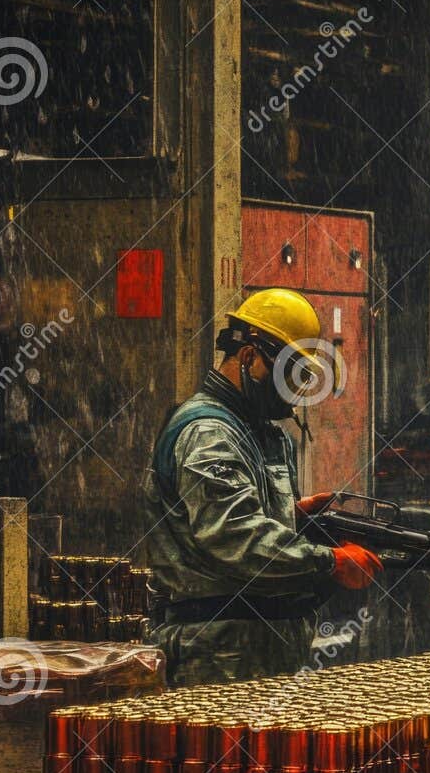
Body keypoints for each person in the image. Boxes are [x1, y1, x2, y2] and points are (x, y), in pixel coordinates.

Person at [143, 288, 382, 686]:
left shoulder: (264, 435)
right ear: (250, 356)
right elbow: (234, 537)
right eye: (288, 374)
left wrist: (292, 514)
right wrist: (330, 562)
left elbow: (244, 514)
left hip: (266, 648)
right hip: (219, 653)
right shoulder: (208, 433)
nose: (294, 390)